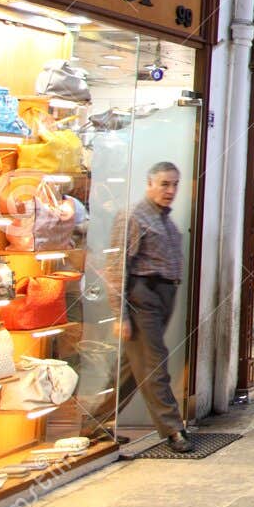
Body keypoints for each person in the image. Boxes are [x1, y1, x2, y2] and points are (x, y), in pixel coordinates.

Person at [103, 162, 193, 453]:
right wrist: (120, 314)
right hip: (143, 297)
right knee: (154, 363)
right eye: (165, 184)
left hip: (162, 296)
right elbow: (116, 267)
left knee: (133, 367)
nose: (171, 190)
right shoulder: (133, 216)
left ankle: (93, 423)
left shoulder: (164, 219)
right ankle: (173, 429)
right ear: (149, 184)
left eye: (175, 184)